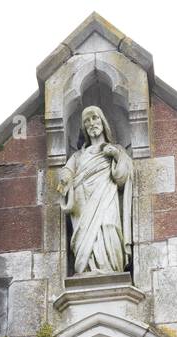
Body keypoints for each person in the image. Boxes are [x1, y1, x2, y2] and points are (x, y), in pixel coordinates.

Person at [58, 106, 133, 275]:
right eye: (87, 121)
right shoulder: (78, 156)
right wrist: (64, 179)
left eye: (95, 118)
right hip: (83, 200)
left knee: (109, 226)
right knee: (86, 234)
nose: (92, 123)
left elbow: (122, 178)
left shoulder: (117, 150)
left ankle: (111, 268)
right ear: (84, 128)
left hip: (107, 198)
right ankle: (87, 268)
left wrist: (116, 155)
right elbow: (66, 173)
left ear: (102, 121)